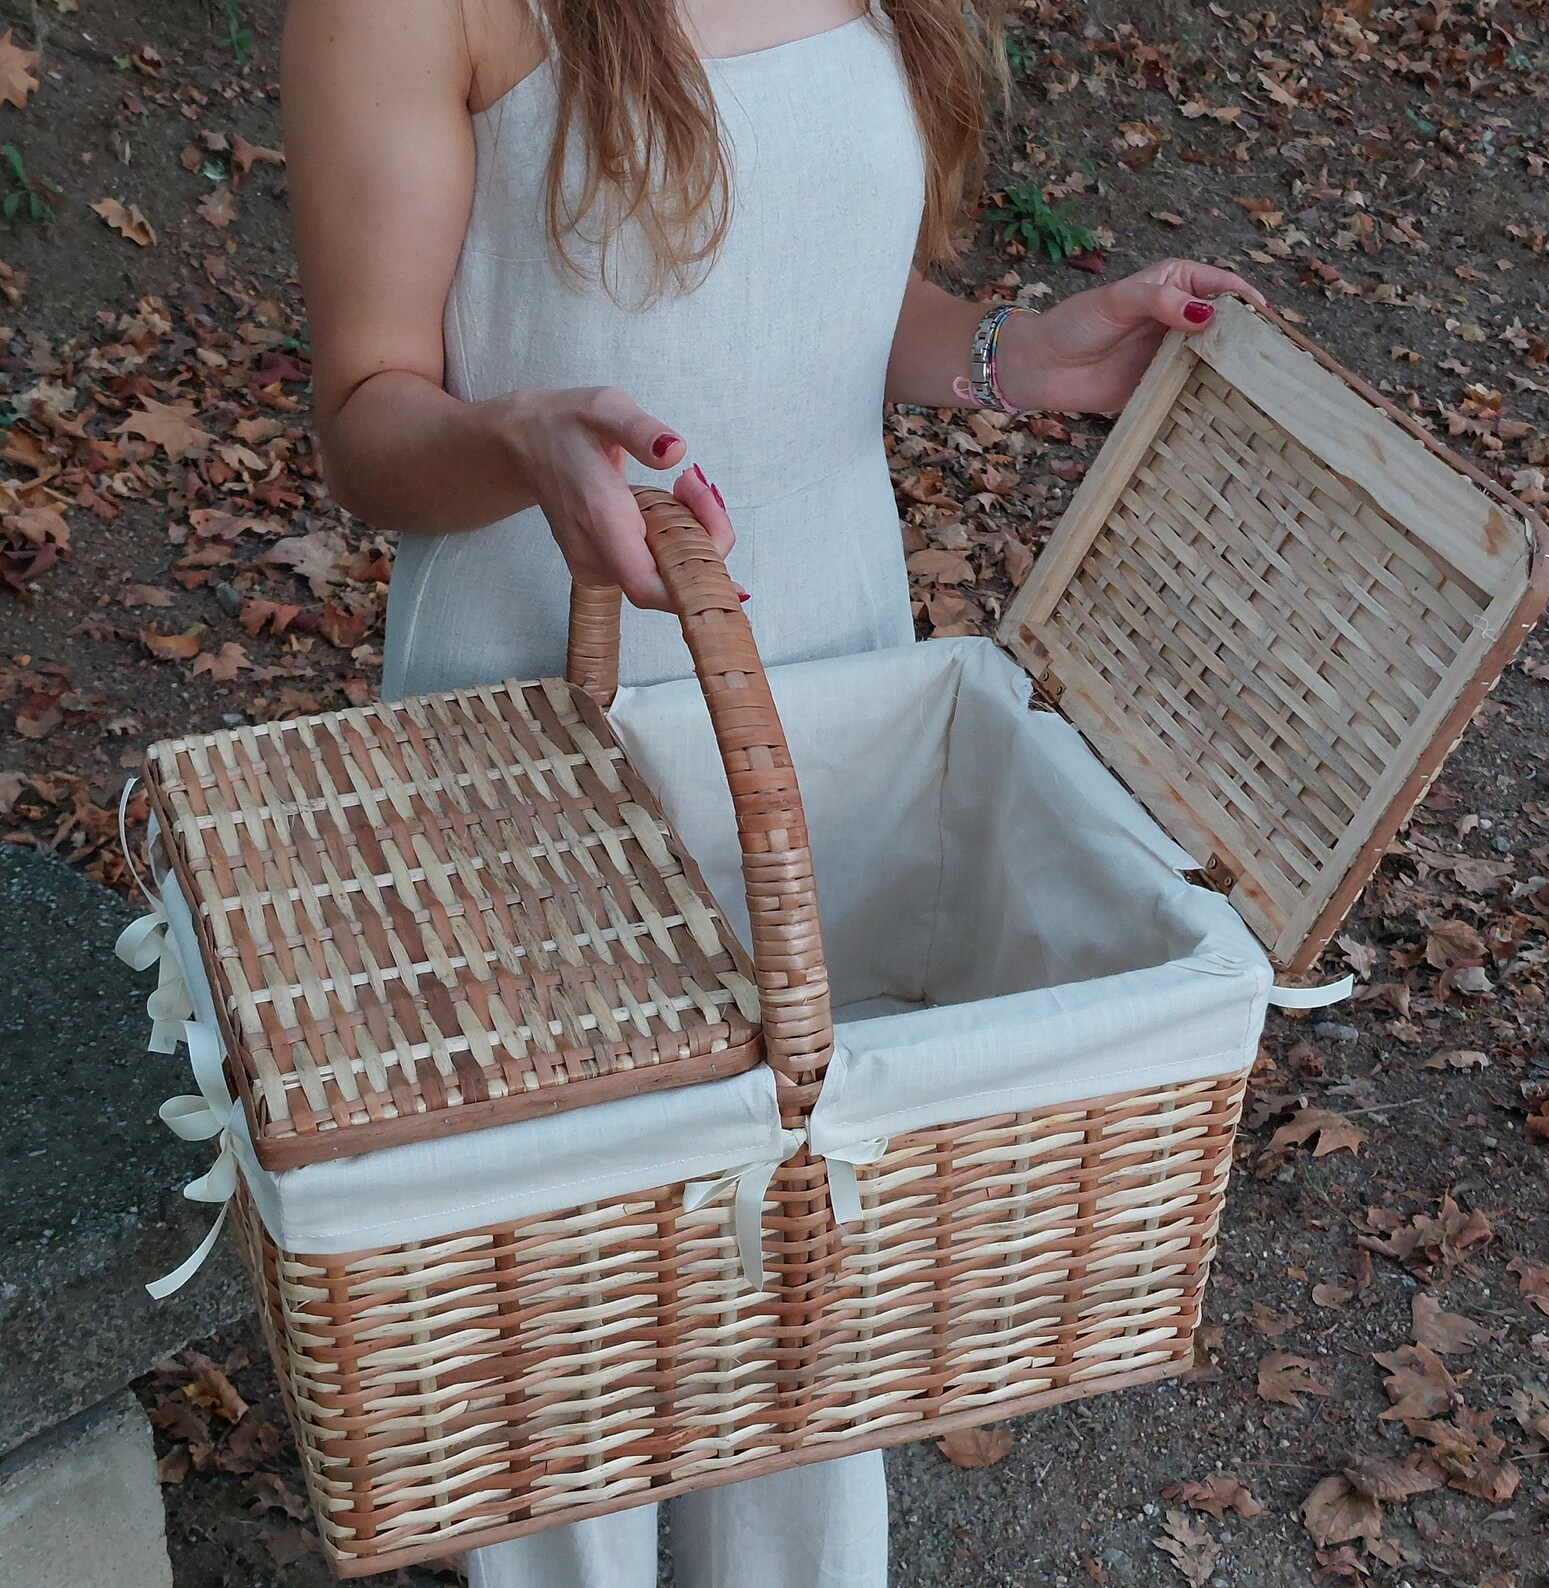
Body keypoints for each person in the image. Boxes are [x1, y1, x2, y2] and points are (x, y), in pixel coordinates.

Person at [280, 2, 1266, 1583]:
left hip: (837, 710)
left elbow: (816, 286)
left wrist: (1006, 353)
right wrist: (523, 440)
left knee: (804, 1288)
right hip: (546, 732)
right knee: (573, 1341)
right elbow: (367, 418)